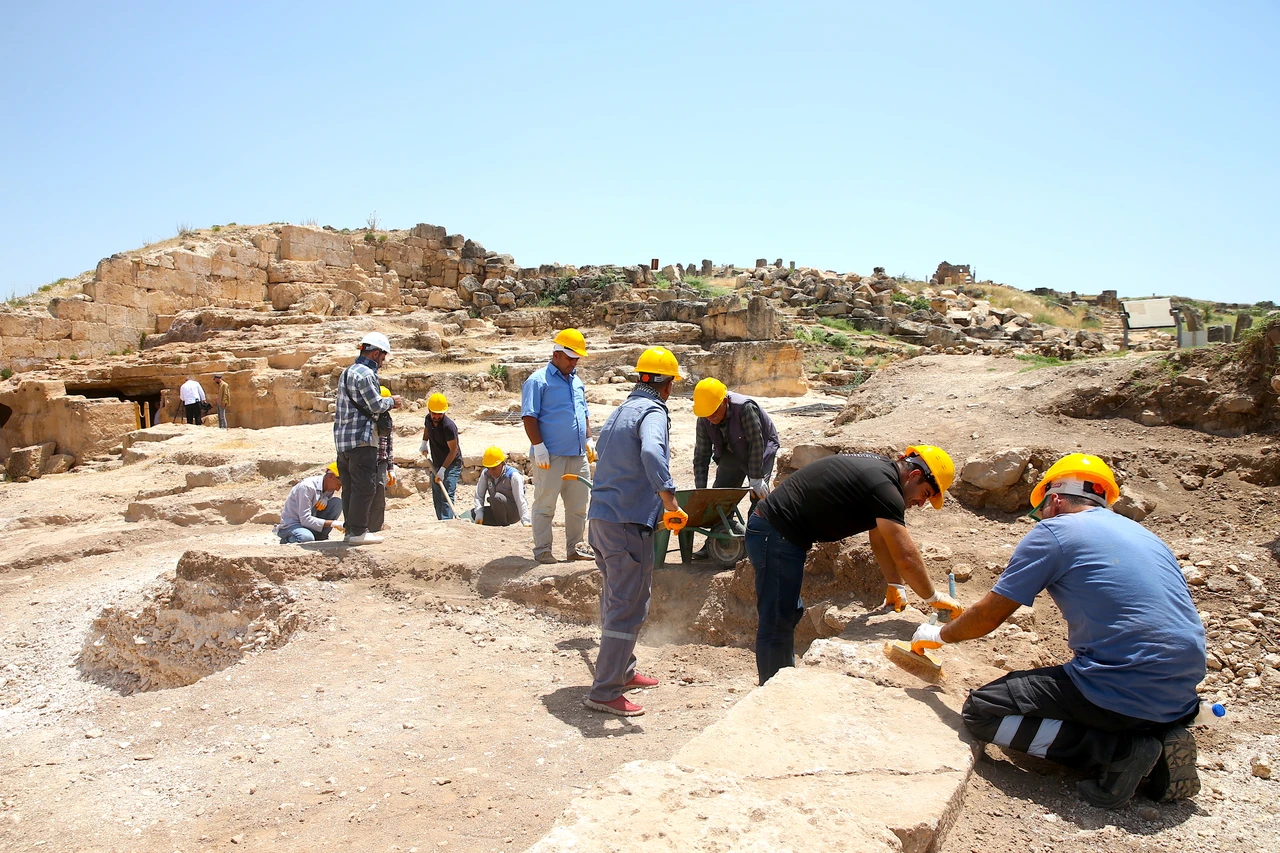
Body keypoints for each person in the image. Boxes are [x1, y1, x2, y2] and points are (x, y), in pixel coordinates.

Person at [909, 453, 1207, 809]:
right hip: (1182, 691)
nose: (1041, 518)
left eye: (1040, 511)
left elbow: (988, 616)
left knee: (982, 711)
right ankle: (1158, 738)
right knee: (1096, 694)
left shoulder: (1055, 531)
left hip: (1123, 682)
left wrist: (939, 635)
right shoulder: (1146, 536)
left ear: (1054, 500)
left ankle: (1118, 751)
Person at [746, 446, 960, 685]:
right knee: (777, 620)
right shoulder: (886, 488)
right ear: (915, 475)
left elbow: (879, 538)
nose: (921, 503)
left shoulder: (883, 477)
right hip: (775, 534)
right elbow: (906, 558)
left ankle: (781, 678)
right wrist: (932, 597)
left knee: (786, 613)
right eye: (926, 493)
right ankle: (774, 689)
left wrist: (895, 585)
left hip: (779, 534)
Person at [582, 347, 689, 717]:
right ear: (667, 384)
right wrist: (670, 501)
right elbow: (652, 454)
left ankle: (623, 671)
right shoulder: (653, 412)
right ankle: (605, 690)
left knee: (619, 598)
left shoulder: (622, 410)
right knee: (627, 607)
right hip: (627, 524)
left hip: (601, 520)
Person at [521, 328, 596, 564]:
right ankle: (543, 550)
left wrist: (588, 438)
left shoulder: (577, 382)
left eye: (576, 359)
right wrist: (538, 446)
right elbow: (529, 416)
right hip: (550, 455)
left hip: (577, 455)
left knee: (578, 506)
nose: (574, 363)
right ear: (556, 354)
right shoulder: (538, 381)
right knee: (545, 504)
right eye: (570, 358)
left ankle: (576, 549)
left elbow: (584, 413)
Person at [690, 377, 780, 556]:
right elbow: (701, 455)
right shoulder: (704, 417)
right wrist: (701, 491)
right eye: (707, 414)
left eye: (714, 412)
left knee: (758, 496)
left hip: (761, 448)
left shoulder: (745, 408)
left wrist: (756, 478)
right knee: (720, 495)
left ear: (724, 401)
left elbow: (756, 443)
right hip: (732, 451)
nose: (711, 418)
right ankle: (717, 543)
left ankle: (754, 545)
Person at [334, 332, 401, 545]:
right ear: (375, 353)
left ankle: (350, 531)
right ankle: (359, 532)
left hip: (343, 442)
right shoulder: (365, 374)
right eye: (383, 356)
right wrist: (392, 401)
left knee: (350, 489)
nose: (383, 361)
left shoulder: (346, 372)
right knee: (364, 487)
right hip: (362, 440)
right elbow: (376, 405)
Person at [420, 392, 462, 520]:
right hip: (437, 461)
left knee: (447, 495)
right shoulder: (428, 419)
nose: (437, 416)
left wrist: (443, 470)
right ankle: (441, 523)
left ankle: (447, 523)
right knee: (437, 495)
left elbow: (453, 450)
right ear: (429, 410)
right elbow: (427, 429)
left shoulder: (448, 427)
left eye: (440, 414)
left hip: (451, 463)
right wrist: (424, 443)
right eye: (434, 413)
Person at [276, 463, 343, 544]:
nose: (338, 489)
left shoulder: (329, 486)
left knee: (337, 503)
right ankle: (286, 540)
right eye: (338, 484)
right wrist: (334, 523)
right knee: (306, 538)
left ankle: (320, 536)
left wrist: (325, 498)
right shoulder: (307, 487)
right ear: (331, 477)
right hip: (293, 525)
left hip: (309, 524)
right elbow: (305, 519)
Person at [471, 446, 530, 526]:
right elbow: (479, 496)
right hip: (496, 510)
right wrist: (479, 514)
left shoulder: (513, 476)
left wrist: (526, 521)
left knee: (497, 498)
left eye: (494, 468)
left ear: (502, 464)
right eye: (489, 468)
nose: (491, 471)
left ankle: (503, 526)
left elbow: (520, 499)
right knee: (472, 514)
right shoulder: (485, 474)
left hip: (513, 513)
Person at [369, 385, 396, 534]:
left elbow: (389, 446)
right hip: (367, 461)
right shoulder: (368, 419)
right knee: (366, 494)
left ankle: (376, 527)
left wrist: (391, 469)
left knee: (379, 495)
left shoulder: (387, 421)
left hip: (381, 462)